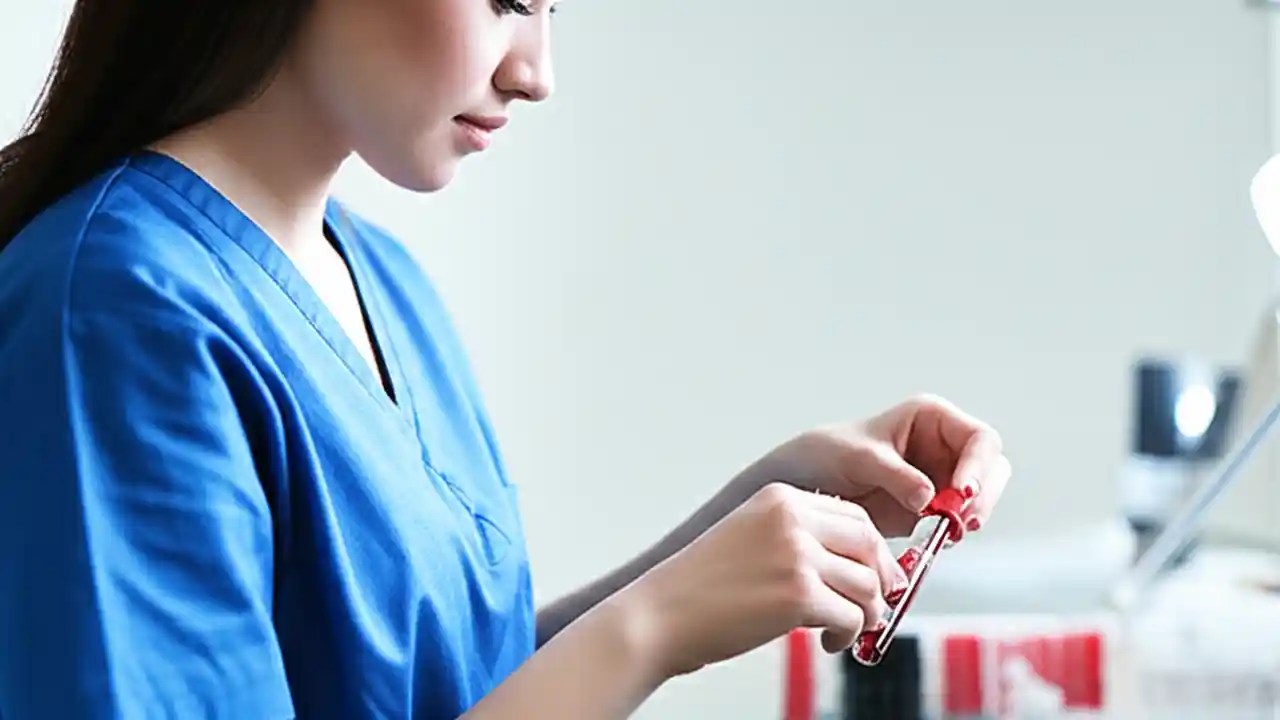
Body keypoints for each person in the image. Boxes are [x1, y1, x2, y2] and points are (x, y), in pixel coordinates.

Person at [0, 1, 1013, 718]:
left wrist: (764, 511)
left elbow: (449, 686)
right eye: (505, 0)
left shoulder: (376, 276)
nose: (535, 71)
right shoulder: (117, 312)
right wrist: (656, 624)